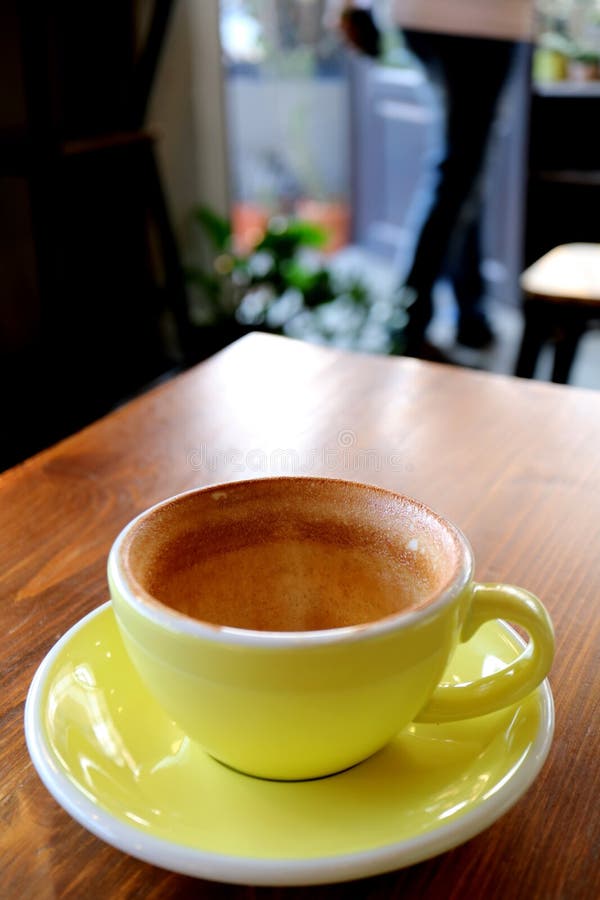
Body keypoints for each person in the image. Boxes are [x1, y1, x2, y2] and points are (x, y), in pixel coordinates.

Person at [338, 1, 530, 356]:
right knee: (461, 173)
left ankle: (470, 313)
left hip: (420, 16)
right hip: (484, 21)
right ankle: (408, 322)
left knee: (466, 170)